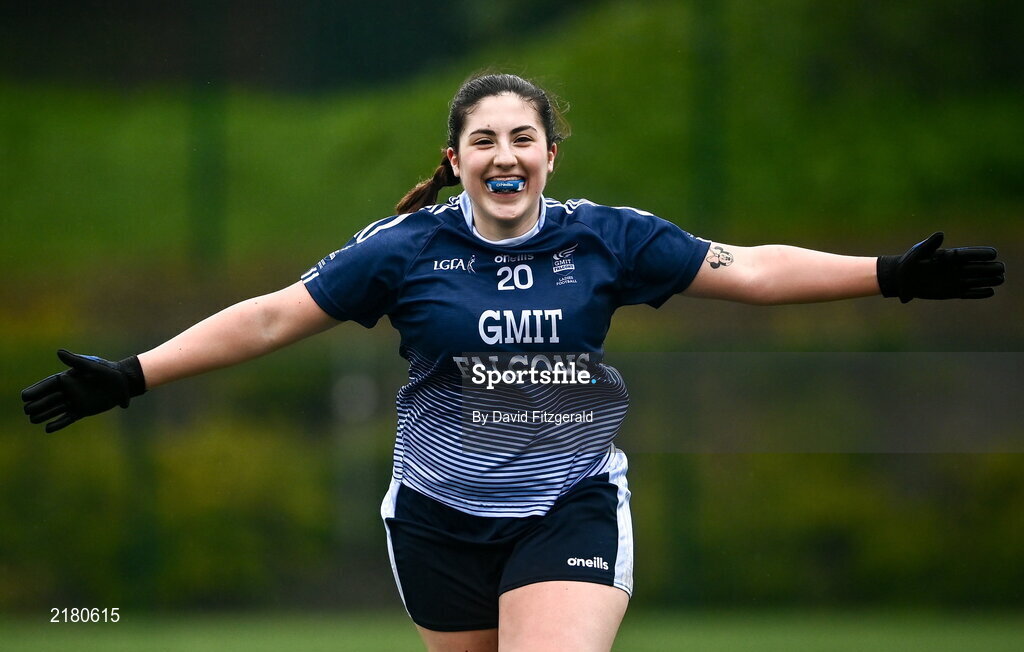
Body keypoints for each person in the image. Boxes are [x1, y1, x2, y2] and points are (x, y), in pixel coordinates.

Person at [21, 73, 1004, 652]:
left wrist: (887, 275)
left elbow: (746, 270)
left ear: (548, 155)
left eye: (522, 136)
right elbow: (276, 316)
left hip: (567, 501)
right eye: (482, 137)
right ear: (453, 160)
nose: (504, 150)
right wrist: (134, 372)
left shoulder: (607, 239)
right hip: (440, 517)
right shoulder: (403, 250)